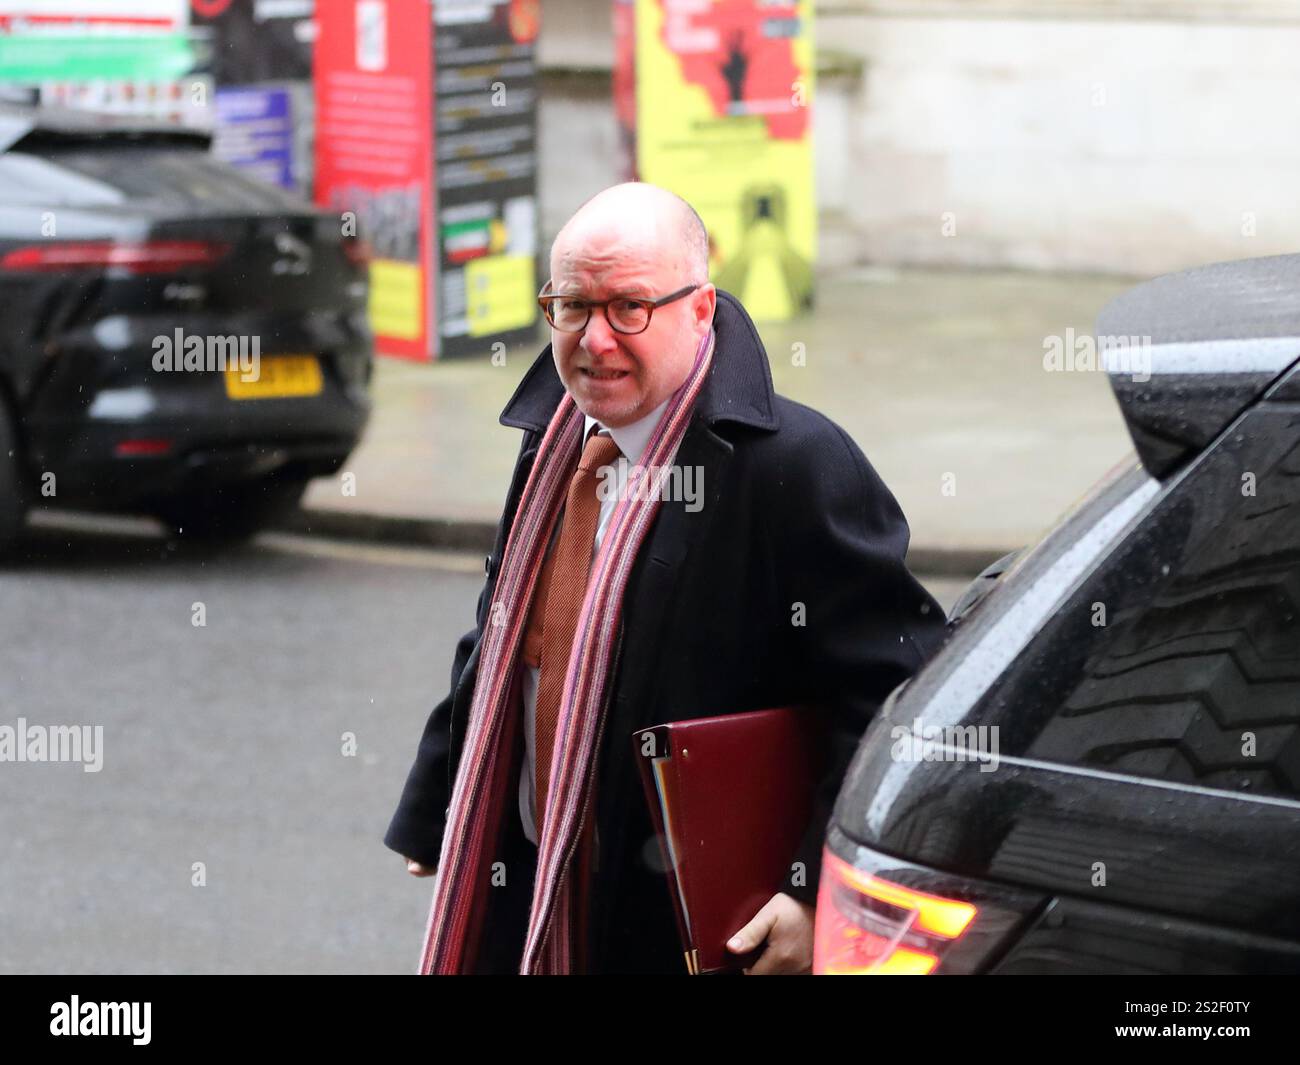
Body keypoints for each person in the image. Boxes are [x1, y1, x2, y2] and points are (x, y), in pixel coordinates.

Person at [384, 182, 947, 975]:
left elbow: (898, 693)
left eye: (629, 308)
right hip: (535, 881)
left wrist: (814, 888)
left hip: (682, 921)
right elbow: (507, 626)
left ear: (701, 307)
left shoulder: (795, 467)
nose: (595, 339)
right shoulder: (552, 441)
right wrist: (440, 798)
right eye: (572, 306)